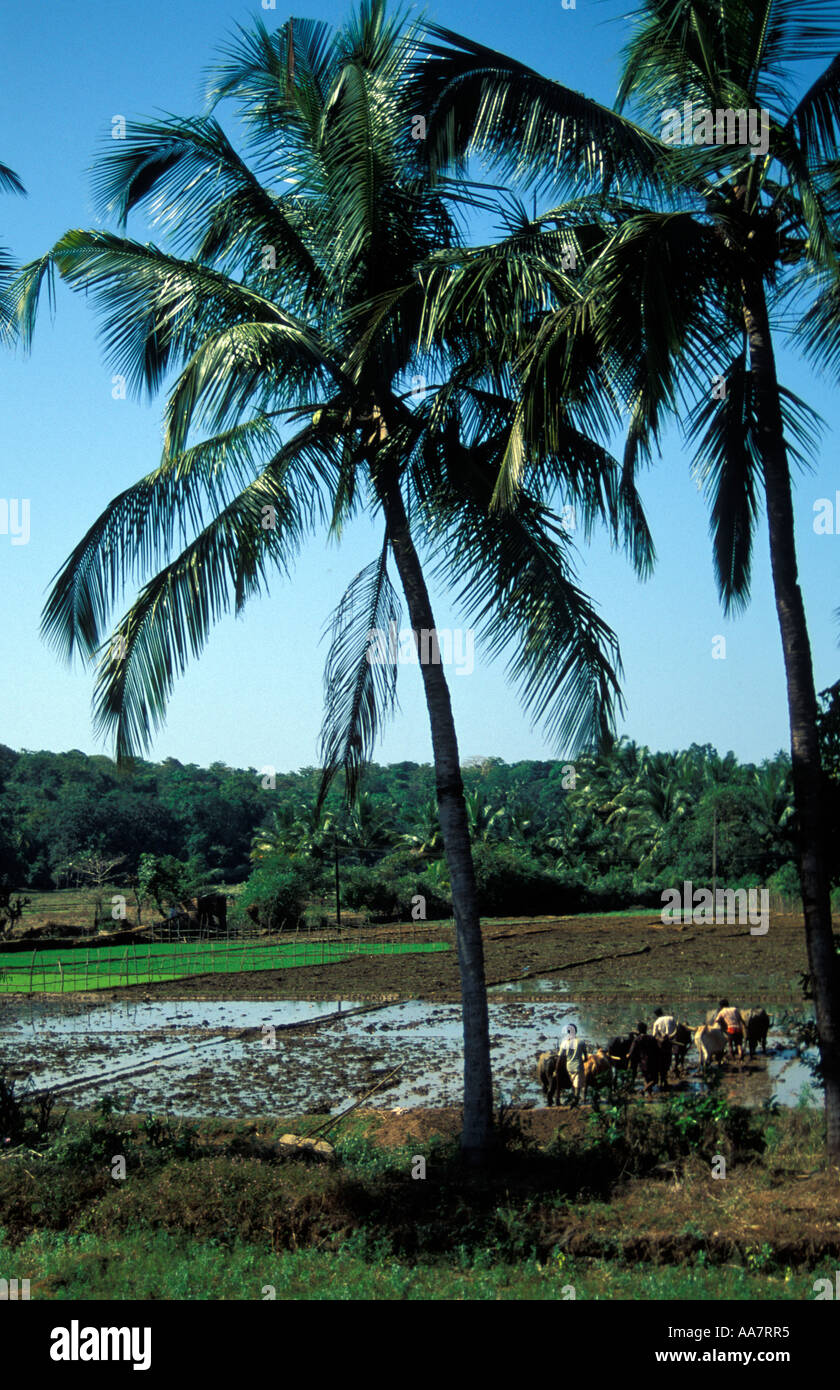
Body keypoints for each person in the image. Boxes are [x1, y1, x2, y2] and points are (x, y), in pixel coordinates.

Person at [559, 1024, 588, 1105]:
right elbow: (586, 1057)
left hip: (568, 1067)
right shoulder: (581, 1042)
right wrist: (583, 1060)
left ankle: (573, 1099)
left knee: (572, 1084)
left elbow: (561, 1056)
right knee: (577, 1086)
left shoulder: (564, 1043)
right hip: (578, 1067)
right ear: (576, 1031)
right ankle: (576, 1101)